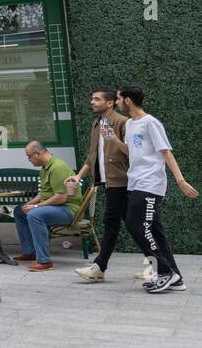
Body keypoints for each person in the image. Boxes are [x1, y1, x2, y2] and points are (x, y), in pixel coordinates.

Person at [102, 85, 196, 293]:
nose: (116, 102)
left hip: (150, 183)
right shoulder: (131, 124)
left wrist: (180, 181)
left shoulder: (151, 123)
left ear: (127, 100)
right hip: (136, 182)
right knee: (154, 230)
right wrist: (113, 139)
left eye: (118, 99)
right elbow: (131, 151)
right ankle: (176, 277)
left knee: (137, 224)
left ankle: (164, 271)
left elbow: (166, 152)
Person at [71, 90, 136, 283]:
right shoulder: (97, 123)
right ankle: (157, 263)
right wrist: (78, 176)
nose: (92, 102)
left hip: (121, 181)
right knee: (134, 224)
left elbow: (133, 152)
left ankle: (99, 266)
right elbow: (93, 156)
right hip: (107, 182)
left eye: (97, 99)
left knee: (111, 222)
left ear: (110, 103)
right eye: (92, 99)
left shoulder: (122, 122)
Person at [16, 141, 81, 272]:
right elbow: (43, 193)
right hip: (56, 207)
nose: (28, 160)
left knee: (35, 215)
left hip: (68, 209)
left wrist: (35, 207)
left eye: (29, 156)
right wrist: (29, 204)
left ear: (38, 153)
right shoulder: (45, 168)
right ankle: (30, 252)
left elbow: (61, 197)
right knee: (19, 211)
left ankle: (44, 261)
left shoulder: (57, 167)